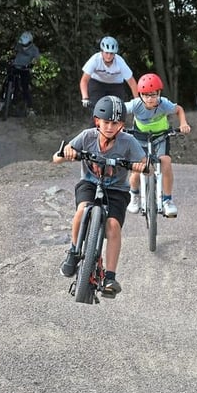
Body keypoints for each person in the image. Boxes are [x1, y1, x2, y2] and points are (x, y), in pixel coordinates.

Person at [54, 95, 147, 298]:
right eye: (106, 122)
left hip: (117, 191)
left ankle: (111, 276)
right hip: (89, 184)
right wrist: (67, 152)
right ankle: (73, 252)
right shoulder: (87, 137)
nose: (110, 127)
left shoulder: (128, 142)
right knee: (82, 209)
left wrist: (141, 165)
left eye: (115, 123)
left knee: (113, 225)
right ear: (97, 121)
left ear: (122, 124)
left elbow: (145, 164)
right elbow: (57, 157)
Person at [125, 73, 191, 217]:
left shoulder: (164, 104)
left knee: (165, 161)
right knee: (137, 167)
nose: (150, 99)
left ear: (159, 93)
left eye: (153, 95)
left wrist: (183, 123)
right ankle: (134, 195)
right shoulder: (136, 104)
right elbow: (120, 110)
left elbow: (178, 109)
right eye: (146, 95)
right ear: (140, 95)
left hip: (161, 136)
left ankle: (167, 200)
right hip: (140, 137)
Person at [79, 36, 138, 108]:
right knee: (97, 108)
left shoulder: (120, 62)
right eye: (106, 53)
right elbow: (84, 80)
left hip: (116, 85)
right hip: (97, 84)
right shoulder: (95, 59)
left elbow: (132, 83)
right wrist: (85, 98)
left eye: (111, 53)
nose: (109, 56)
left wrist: (137, 101)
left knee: (117, 111)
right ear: (102, 51)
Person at [0, 31, 41, 116]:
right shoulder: (19, 45)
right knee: (7, 82)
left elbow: (38, 61)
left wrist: (34, 63)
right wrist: (10, 59)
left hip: (25, 69)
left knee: (25, 88)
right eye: (22, 44)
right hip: (15, 67)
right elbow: (14, 53)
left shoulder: (34, 49)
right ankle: (2, 100)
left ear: (30, 42)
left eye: (25, 45)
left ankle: (30, 109)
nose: (23, 46)